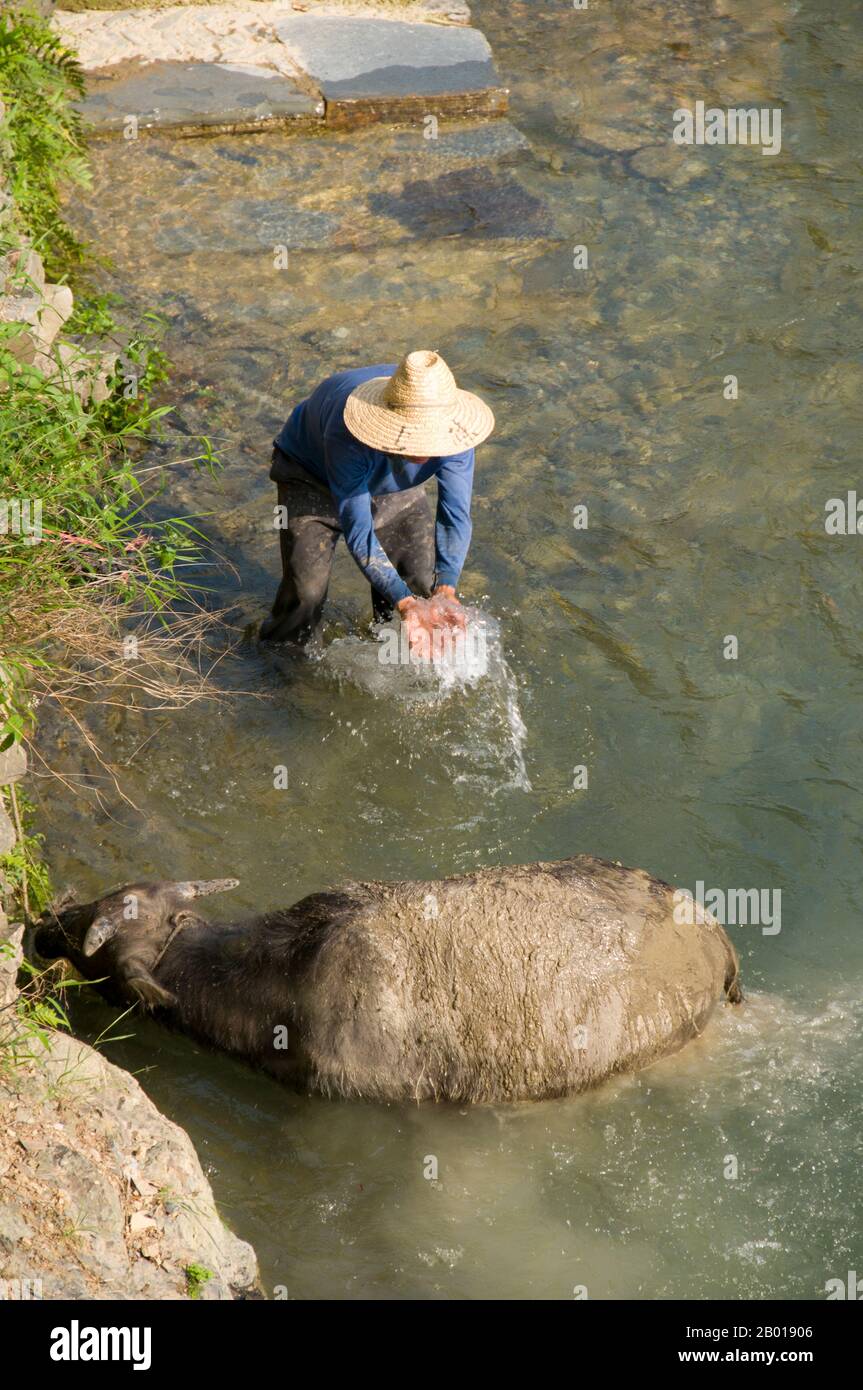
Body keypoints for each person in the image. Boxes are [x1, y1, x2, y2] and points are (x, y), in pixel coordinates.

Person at [259, 350, 494, 655]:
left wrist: (446, 588)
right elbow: (358, 530)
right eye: (416, 437)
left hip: (391, 480)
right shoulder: (346, 431)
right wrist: (404, 602)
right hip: (310, 476)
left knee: (423, 585)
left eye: (431, 440)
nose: (424, 450)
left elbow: (455, 516)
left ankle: (386, 649)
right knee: (307, 594)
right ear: (396, 424)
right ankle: (282, 668)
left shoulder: (455, 433)